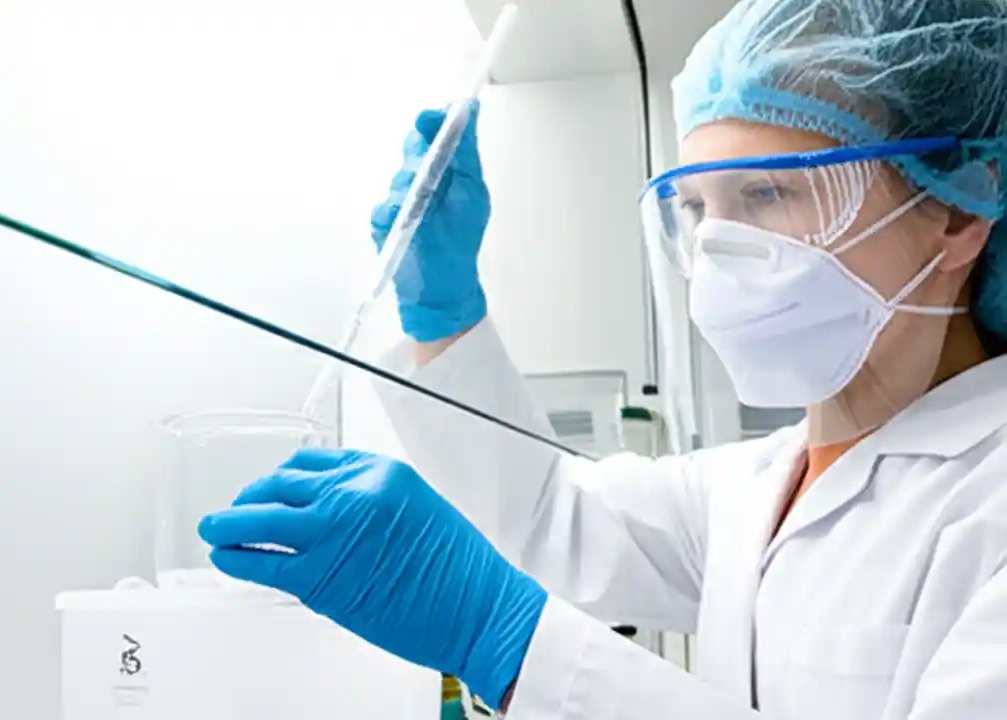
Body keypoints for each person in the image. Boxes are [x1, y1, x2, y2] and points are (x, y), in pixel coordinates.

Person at [199, 1, 1007, 717]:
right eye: (695, 207)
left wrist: (504, 635)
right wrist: (445, 315)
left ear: (955, 210)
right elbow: (554, 517)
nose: (719, 248)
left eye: (766, 194)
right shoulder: (757, 484)